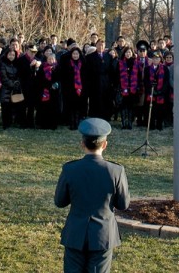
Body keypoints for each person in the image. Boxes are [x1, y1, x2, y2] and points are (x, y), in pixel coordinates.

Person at [55, 117, 130, 273]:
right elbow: (123, 204)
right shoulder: (115, 171)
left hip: (75, 234)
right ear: (105, 145)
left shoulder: (70, 169)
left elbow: (60, 201)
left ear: (82, 144)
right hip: (103, 235)